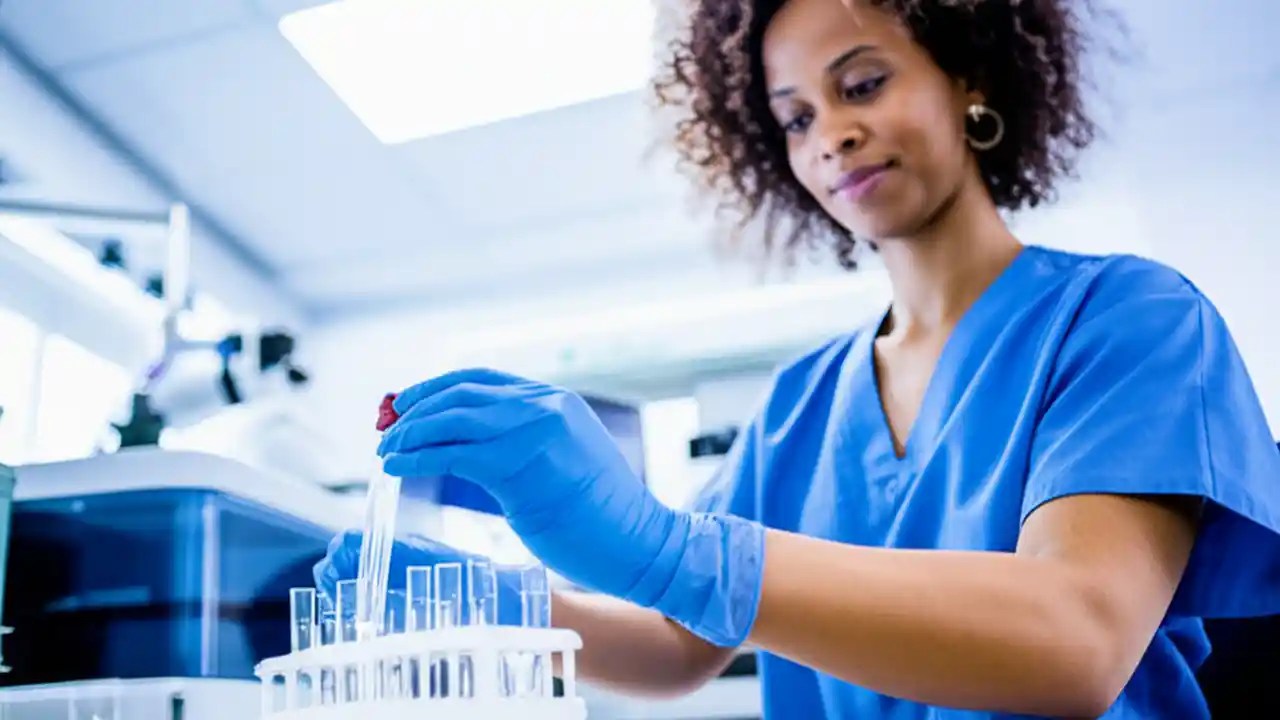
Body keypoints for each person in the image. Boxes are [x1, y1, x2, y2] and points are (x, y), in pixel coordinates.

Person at [315, 0, 1280, 716]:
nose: (833, 134)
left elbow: (1076, 638)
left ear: (970, 74)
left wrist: (666, 546)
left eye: (862, 84)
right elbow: (676, 644)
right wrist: (503, 608)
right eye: (797, 117)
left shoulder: (1129, 319)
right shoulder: (797, 404)